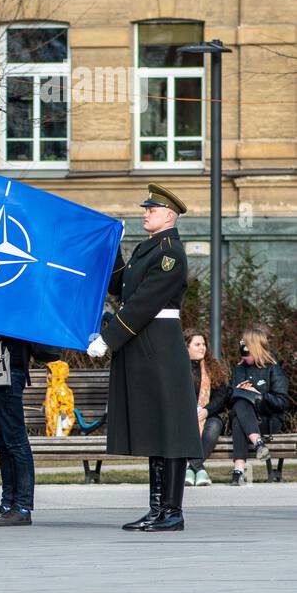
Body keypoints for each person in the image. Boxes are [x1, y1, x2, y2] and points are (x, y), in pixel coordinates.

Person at [87, 184, 200, 532]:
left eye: (151, 210)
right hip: (146, 346)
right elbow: (122, 287)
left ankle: (172, 511)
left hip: (159, 348)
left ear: (169, 215)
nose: (145, 213)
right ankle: (157, 509)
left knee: (171, 430)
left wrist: (109, 338)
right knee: (157, 429)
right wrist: (113, 247)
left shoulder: (170, 254)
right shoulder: (147, 248)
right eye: (145, 209)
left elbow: (144, 303)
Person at [0, 331, 58, 526]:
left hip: (10, 366)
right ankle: (8, 503)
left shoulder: (13, 301)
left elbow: (16, 325)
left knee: (15, 440)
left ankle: (22, 506)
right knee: (1, 439)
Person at [223, 327, 290, 485]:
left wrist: (257, 395)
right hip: (247, 418)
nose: (243, 356)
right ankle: (259, 444)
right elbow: (229, 399)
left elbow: (282, 403)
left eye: (247, 352)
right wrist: (239, 392)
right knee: (240, 406)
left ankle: (238, 471)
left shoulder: (273, 369)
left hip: (268, 419)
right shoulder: (239, 369)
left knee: (239, 417)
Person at [184, 329, 228, 486]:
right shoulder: (177, 368)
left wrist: (207, 410)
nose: (202, 347)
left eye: (203, 344)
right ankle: (200, 471)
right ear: (186, 347)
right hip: (184, 416)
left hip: (209, 414)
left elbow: (221, 395)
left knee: (214, 426)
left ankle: (191, 468)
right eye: (197, 344)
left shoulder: (212, 367)